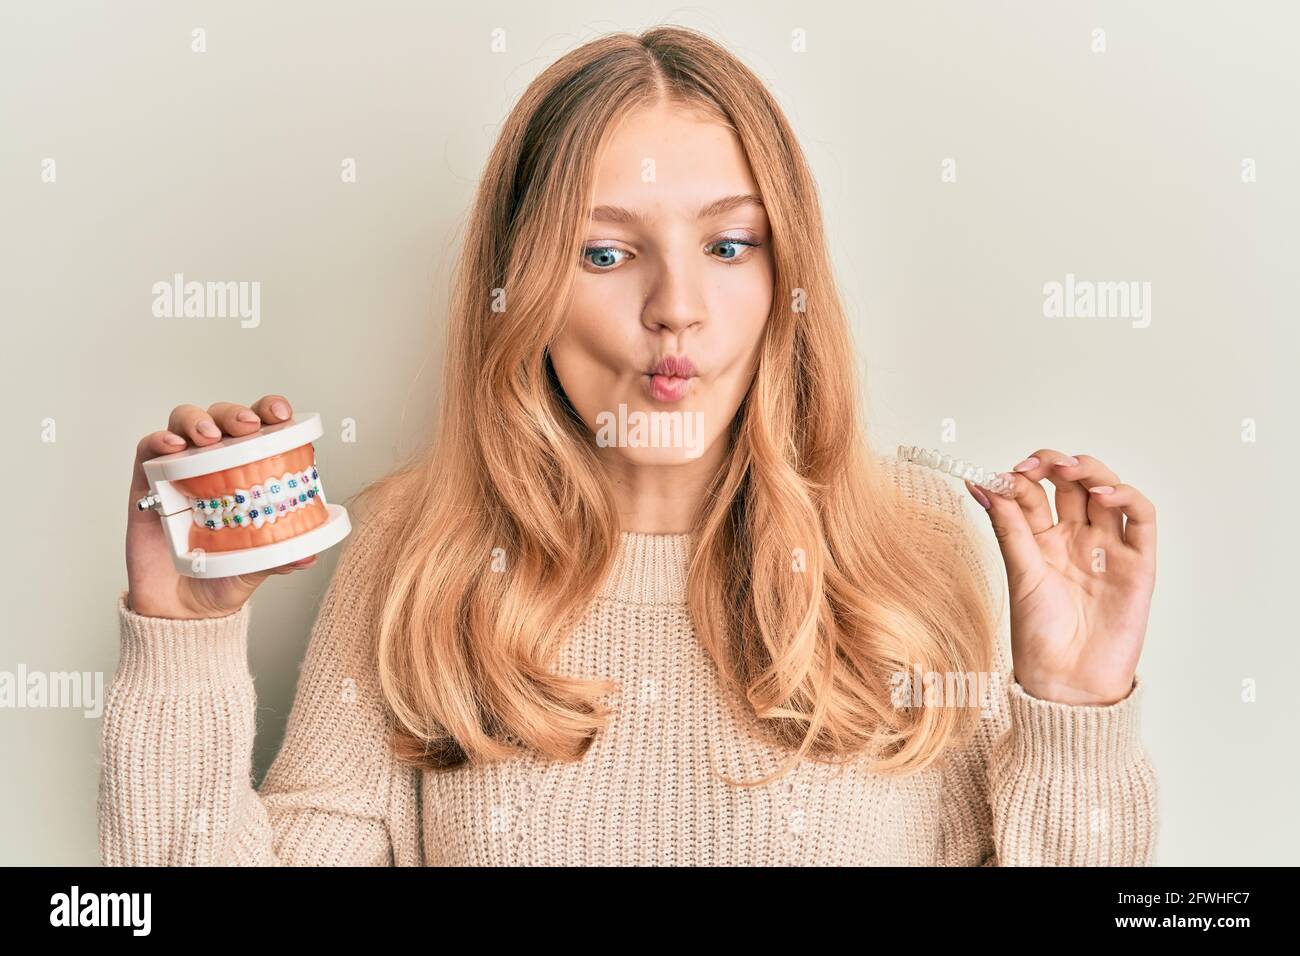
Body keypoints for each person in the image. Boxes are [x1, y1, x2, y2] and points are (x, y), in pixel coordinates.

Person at [101, 25, 1158, 866]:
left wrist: (1072, 710)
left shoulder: (917, 545)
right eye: (605, 252)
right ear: (521, 292)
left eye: (728, 243)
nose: (677, 308)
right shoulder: (414, 555)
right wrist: (182, 640)